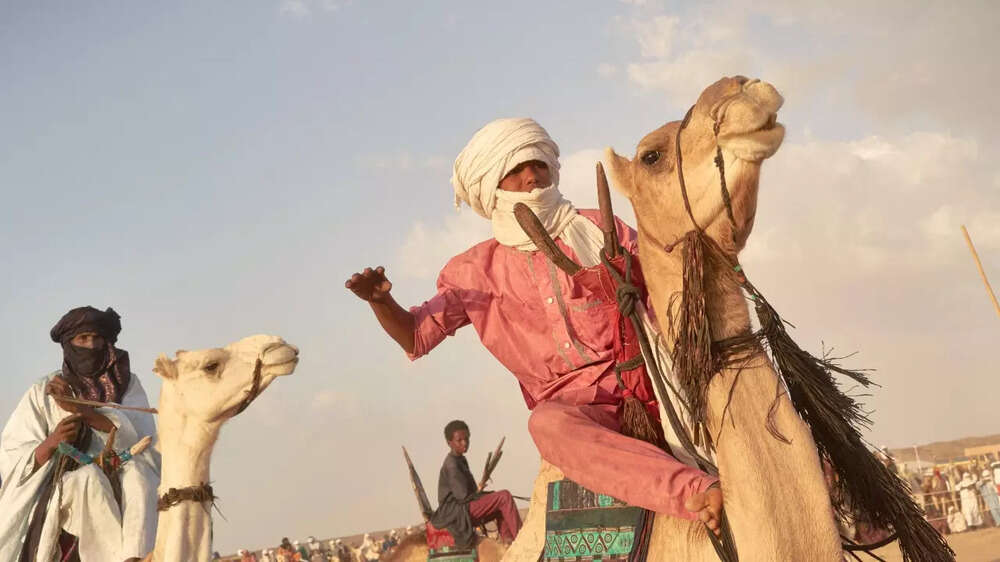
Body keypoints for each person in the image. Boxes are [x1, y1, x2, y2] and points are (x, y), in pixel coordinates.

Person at [345, 117, 721, 539]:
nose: (532, 177)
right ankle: (693, 490)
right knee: (546, 425)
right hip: (579, 414)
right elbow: (416, 335)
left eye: (538, 165)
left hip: (654, 379)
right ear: (492, 186)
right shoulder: (473, 272)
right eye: (516, 169)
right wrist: (382, 302)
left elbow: (669, 283)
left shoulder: (601, 227)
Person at [0, 306, 160, 562]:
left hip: (124, 465)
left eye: (97, 338)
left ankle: (137, 556)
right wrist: (52, 443)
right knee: (89, 480)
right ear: (68, 344)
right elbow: (13, 453)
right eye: (83, 338)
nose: (91, 344)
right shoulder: (43, 391)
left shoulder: (128, 384)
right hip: (69, 478)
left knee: (140, 476)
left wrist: (82, 411)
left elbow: (143, 439)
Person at [429, 420, 522, 547]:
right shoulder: (452, 464)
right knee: (504, 496)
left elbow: (470, 492)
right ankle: (523, 540)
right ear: (449, 443)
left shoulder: (460, 459)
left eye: (467, 439)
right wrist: (481, 492)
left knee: (499, 500)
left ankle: (508, 543)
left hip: (463, 507)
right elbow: (463, 496)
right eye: (459, 440)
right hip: (457, 512)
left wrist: (483, 493)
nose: (465, 443)